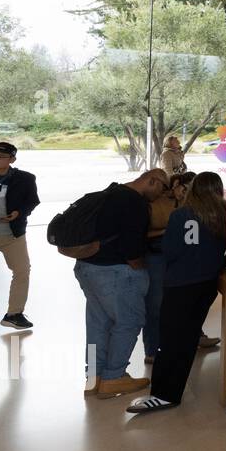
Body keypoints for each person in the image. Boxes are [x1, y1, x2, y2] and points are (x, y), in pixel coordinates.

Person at [126, 172, 226, 413]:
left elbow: (170, 250)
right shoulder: (224, 215)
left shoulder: (181, 214)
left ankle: (164, 393)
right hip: (207, 285)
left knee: (170, 339)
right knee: (188, 337)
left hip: (180, 284)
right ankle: (172, 388)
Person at [74, 168, 169, 399]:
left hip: (87, 267)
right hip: (116, 272)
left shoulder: (109, 192)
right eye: (162, 188)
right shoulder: (135, 203)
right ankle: (114, 377)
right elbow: (131, 246)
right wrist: (139, 268)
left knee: (98, 323)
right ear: (152, 180)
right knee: (129, 321)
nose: (161, 195)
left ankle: (94, 377)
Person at [142, 172, 194, 362]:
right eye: (184, 188)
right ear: (176, 184)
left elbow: (192, 235)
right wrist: (169, 230)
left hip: (180, 258)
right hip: (156, 256)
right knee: (155, 304)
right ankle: (152, 349)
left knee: (183, 300)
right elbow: (142, 232)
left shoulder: (190, 205)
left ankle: (189, 339)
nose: (186, 193)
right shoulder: (156, 202)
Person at [0, 141, 39, 330]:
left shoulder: (25, 178)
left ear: (12, 159)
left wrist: (18, 213)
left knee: (22, 271)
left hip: (13, 235)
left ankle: (14, 314)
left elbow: (32, 201)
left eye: (0, 157)